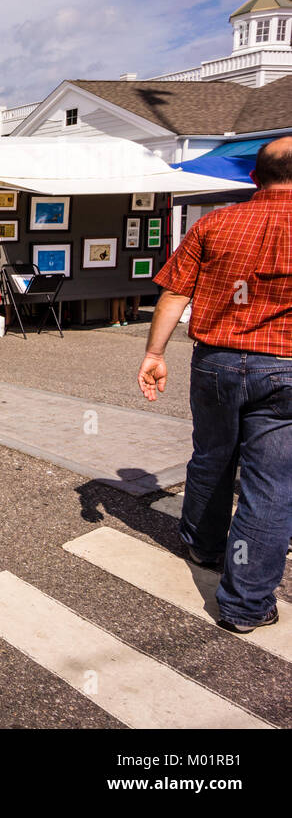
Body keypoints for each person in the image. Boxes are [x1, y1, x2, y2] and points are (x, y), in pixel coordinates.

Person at [137, 137, 292, 634]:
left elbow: (175, 292)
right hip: (286, 365)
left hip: (218, 362)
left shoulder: (215, 223)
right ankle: (245, 605)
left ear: (254, 177)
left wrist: (155, 353)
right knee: (271, 486)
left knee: (212, 455)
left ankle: (203, 546)